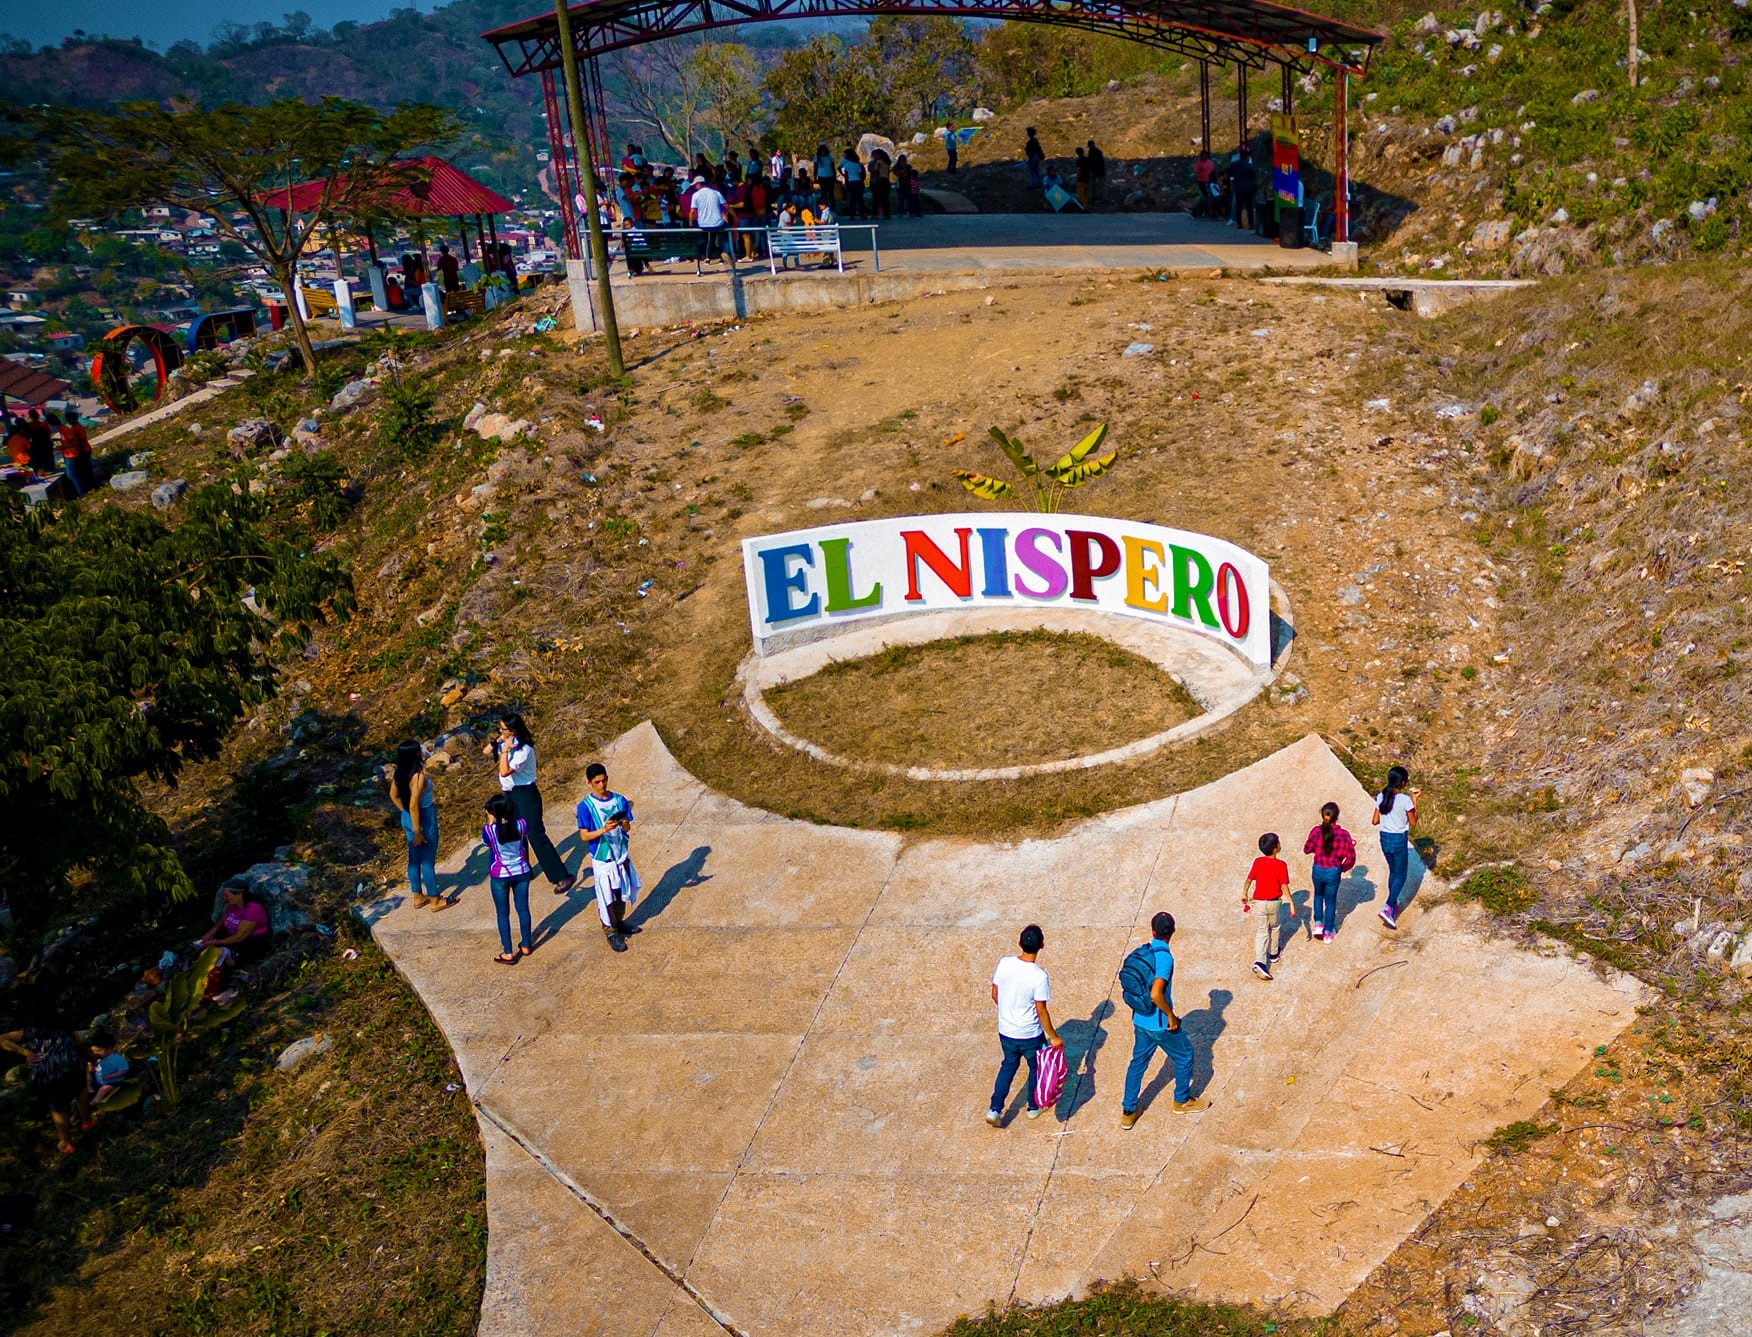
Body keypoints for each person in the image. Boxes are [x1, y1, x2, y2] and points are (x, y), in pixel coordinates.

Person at [1119, 912, 1209, 1128]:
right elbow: (1156, 993)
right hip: (1160, 1023)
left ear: (1153, 931)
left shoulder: (1144, 951)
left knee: (1137, 1063)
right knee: (1185, 1056)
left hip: (1140, 1019)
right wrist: (1171, 1016)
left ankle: (1129, 1111)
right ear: (1173, 931)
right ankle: (1182, 1100)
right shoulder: (1165, 958)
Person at [482, 712, 575, 894]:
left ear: (514, 730)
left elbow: (504, 772)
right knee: (516, 833)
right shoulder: (505, 741)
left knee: (535, 835)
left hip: (525, 794)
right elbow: (486, 751)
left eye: (504, 728)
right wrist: (499, 740)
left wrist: (506, 749)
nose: (501, 731)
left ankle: (561, 876)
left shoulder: (524, 750)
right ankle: (523, 869)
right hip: (509, 794)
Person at [986, 924, 1062, 1127]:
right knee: (1036, 1068)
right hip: (1030, 1034)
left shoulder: (1004, 963)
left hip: (1006, 1031)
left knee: (1008, 1066)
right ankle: (1033, 1106)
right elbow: (1041, 1010)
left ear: (1019, 943)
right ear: (1042, 946)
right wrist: (1053, 1035)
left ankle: (995, 1108)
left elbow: (995, 994)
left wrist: (1007, 1013)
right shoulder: (1039, 976)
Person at [577, 762, 641, 952]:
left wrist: (624, 823)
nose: (602, 785)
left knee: (622, 891)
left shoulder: (620, 800)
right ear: (589, 783)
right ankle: (610, 932)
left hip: (620, 853)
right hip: (602, 858)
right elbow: (584, 835)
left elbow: (628, 827)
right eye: (597, 782)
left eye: (604, 780)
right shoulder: (585, 807)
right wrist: (603, 829)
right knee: (606, 896)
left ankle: (619, 922)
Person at [0, 1026, 90, 1153]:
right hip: (72, 1067)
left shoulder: (28, 1031)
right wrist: (89, 1058)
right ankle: (87, 1122)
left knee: (59, 1108)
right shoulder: (65, 1027)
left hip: (47, 1074)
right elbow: (78, 1046)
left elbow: (1, 1039)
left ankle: (67, 1143)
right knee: (81, 1092)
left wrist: (24, 1051)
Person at [389, 740, 445, 909]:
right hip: (423, 817)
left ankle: (417, 895)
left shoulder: (399, 773)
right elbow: (415, 804)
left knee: (414, 859)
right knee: (427, 860)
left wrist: (404, 812)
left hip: (407, 817)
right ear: (416, 755)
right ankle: (435, 898)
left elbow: (393, 795)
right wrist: (417, 829)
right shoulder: (418, 776)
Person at [482, 792, 535, 963]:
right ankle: (526, 945)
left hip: (500, 875)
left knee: (503, 913)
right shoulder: (521, 825)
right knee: (523, 909)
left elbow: (487, 840)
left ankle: (508, 952)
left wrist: (491, 820)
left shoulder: (489, 831)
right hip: (521, 872)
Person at [1372, 766, 1420, 928]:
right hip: (1399, 840)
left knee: (1393, 872)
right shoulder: (1405, 800)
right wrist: (1414, 800)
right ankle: (1388, 906)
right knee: (1401, 875)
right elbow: (1413, 822)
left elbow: (1375, 821)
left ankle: (1393, 905)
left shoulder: (1381, 796)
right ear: (1404, 783)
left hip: (1384, 839)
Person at [1304, 802, 1357, 942]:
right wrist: (1342, 868)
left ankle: (1318, 924)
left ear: (1322, 815)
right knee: (1331, 900)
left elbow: (1307, 849)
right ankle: (1328, 931)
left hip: (1318, 868)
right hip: (1333, 870)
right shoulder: (1344, 835)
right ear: (1337, 817)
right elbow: (1351, 858)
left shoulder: (1316, 831)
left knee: (1318, 895)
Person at [1242, 833, 1291, 981]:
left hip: (1259, 903)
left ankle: (1260, 961)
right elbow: (1284, 886)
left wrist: (1244, 893)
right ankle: (1274, 954)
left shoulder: (1258, 862)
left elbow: (1249, 880)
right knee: (1275, 927)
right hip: (1274, 903)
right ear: (1276, 848)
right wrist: (1292, 903)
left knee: (1262, 931)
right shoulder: (1281, 865)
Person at [199, 883, 273, 969]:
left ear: (239, 894)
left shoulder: (253, 910)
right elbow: (223, 919)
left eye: (226, 895)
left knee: (217, 956)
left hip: (249, 943)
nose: (224, 898)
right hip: (229, 937)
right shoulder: (233, 904)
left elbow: (240, 937)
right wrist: (211, 932)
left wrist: (216, 942)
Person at [688, 175, 732, 272]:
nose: (694, 186)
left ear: (699, 184)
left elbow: (692, 211)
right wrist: (729, 216)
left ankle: (708, 257)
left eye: (695, 184)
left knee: (710, 238)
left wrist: (690, 222)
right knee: (723, 235)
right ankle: (726, 253)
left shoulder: (695, 195)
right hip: (718, 223)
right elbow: (726, 206)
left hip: (703, 224)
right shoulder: (716, 193)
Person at [87, 1027, 130, 1106]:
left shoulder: (117, 1058)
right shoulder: (102, 1058)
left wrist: (111, 1075)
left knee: (103, 1089)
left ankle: (95, 1102)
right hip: (100, 1080)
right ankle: (90, 1091)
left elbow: (124, 1069)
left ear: (109, 1048)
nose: (97, 1053)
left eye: (99, 1051)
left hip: (112, 1082)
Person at [57, 411, 95, 496]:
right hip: (83, 450)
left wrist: (74, 448)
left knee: (85, 470)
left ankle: (89, 487)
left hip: (84, 451)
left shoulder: (78, 428)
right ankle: (89, 486)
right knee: (84, 470)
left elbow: (81, 441)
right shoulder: (75, 427)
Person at [1226, 149, 1257, 230]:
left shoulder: (1234, 164)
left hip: (1238, 188)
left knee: (1238, 206)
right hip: (1248, 189)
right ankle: (1250, 224)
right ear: (1247, 156)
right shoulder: (1249, 166)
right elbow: (1254, 177)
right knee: (1249, 206)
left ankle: (1239, 224)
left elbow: (1229, 173)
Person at [23, 410, 56, 475]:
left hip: (37, 446)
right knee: (48, 459)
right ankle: (49, 470)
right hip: (45, 445)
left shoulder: (30, 426)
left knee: (41, 460)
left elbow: (28, 436)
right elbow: (49, 434)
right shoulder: (43, 425)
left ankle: (43, 471)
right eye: (36, 415)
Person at [840, 148, 865, 219]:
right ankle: (862, 214)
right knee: (860, 199)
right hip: (858, 181)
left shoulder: (847, 165)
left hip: (851, 182)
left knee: (852, 199)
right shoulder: (858, 165)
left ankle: (852, 215)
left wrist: (845, 177)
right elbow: (860, 173)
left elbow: (846, 174)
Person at [1193, 150, 1219, 217]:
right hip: (1202, 181)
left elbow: (1213, 170)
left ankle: (1207, 211)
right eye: (1203, 156)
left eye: (1205, 155)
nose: (1204, 157)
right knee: (1206, 197)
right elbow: (1197, 173)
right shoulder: (1198, 164)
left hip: (1210, 182)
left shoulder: (1210, 162)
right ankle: (1202, 211)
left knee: (1210, 197)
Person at [869, 149, 892, 220]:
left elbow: (875, 170)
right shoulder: (887, 162)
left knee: (876, 199)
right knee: (885, 199)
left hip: (878, 181)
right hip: (886, 180)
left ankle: (875, 214)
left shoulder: (878, 162)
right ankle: (886, 214)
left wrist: (872, 169)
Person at [1087, 138, 1107, 203]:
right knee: (1101, 185)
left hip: (1095, 171)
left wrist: (1091, 171)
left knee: (1093, 185)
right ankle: (1102, 198)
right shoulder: (1099, 151)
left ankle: (1093, 197)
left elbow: (1090, 162)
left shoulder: (1091, 152)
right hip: (1101, 171)